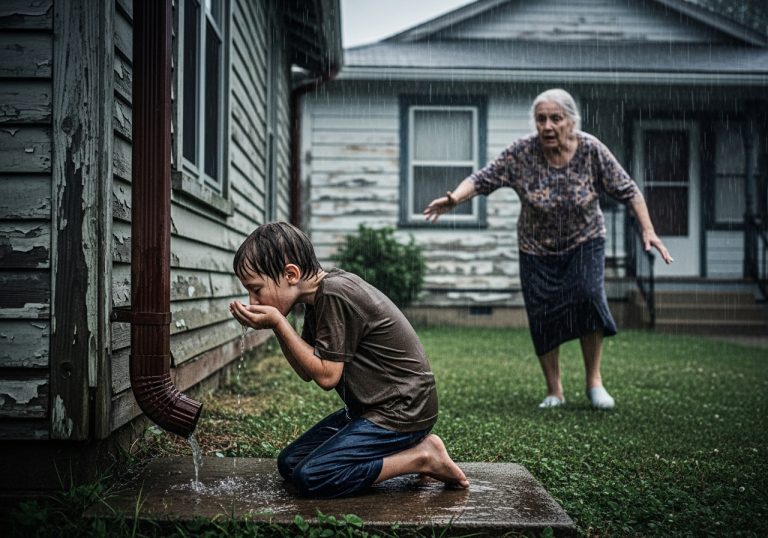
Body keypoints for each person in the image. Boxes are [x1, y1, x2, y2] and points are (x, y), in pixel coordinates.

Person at [423, 88, 672, 410]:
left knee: (589, 298)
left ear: (571, 120)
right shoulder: (522, 153)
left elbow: (628, 190)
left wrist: (648, 230)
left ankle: (594, 382)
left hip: (585, 240)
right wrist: (455, 198)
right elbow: (483, 179)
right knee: (542, 315)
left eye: (556, 118)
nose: (548, 126)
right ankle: (555, 390)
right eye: (541, 119)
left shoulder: (591, 150)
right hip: (535, 248)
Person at [229, 222, 469, 498]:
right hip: (371, 410)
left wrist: (279, 323)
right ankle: (413, 450)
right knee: (290, 463)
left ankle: (423, 456)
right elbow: (307, 370)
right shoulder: (316, 299)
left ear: (291, 274)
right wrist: (276, 325)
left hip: (403, 411)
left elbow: (326, 376)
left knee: (313, 477)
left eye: (256, 289)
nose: (252, 299)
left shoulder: (334, 293)